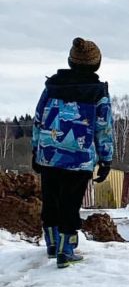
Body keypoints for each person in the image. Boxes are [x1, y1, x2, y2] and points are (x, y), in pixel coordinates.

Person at [31, 38, 115, 268]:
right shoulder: (98, 93)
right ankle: (65, 251)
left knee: (51, 200)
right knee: (70, 202)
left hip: (48, 154)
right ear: (96, 64)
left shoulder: (52, 87)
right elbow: (104, 128)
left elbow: (39, 119)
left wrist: (35, 150)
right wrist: (106, 159)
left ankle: (51, 244)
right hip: (79, 159)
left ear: (70, 61)